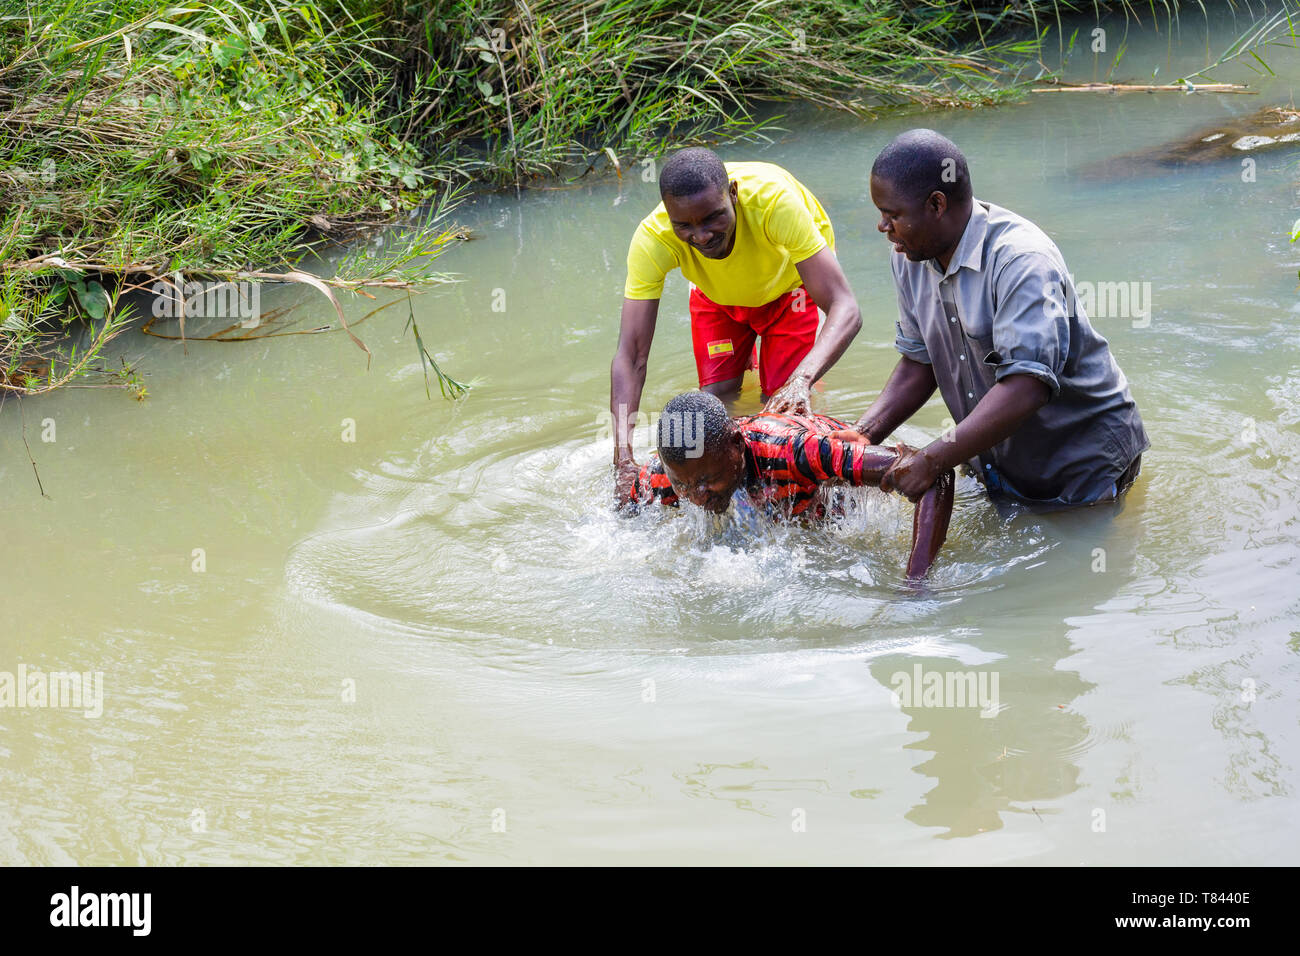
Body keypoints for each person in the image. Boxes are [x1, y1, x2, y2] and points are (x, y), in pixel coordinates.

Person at [833, 129, 1148, 508]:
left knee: (1073, 558)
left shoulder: (1021, 261)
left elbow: (1027, 387)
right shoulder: (909, 254)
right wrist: (865, 433)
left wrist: (933, 459)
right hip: (998, 462)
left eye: (892, 215)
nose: (882, 227)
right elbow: (920, 361)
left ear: (936, 205)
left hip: (1082, 467)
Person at [610, 147, 863, 501]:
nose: (700, 236)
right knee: (715, 404)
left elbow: (845, 307)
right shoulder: (653, 238)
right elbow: (631, 355)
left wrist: (801, 381)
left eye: (713, 218)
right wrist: (623, 460)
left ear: (733, 193)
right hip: (718, 294)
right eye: (685, 225)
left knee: (783, 406)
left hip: (792, 285)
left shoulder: (775, 203)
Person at [625, 391, 954, 582]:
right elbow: (623, 517)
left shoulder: (797, 452)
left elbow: (933, 475)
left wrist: (916, 584)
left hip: (834, 507)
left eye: (708, 481)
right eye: (684, 486)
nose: (697, 497)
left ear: (737, 445)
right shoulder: (664, 476)